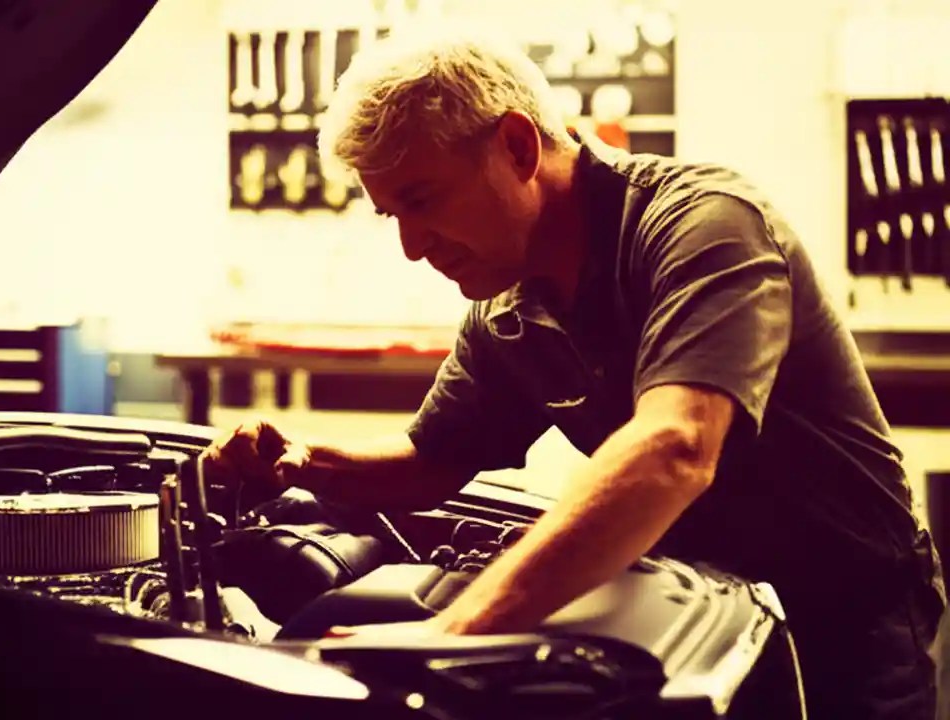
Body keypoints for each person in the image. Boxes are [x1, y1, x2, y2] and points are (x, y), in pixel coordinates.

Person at [202, 23, 944, 719]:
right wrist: (303, 462)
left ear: (519, 148)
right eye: (389, 214)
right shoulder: (508, 308)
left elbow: (675, 449)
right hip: (700, 604)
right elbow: (430, 463)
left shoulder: (702, 224)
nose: (411, 246)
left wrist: (457, 631)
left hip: (850, 614)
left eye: (420, 201)